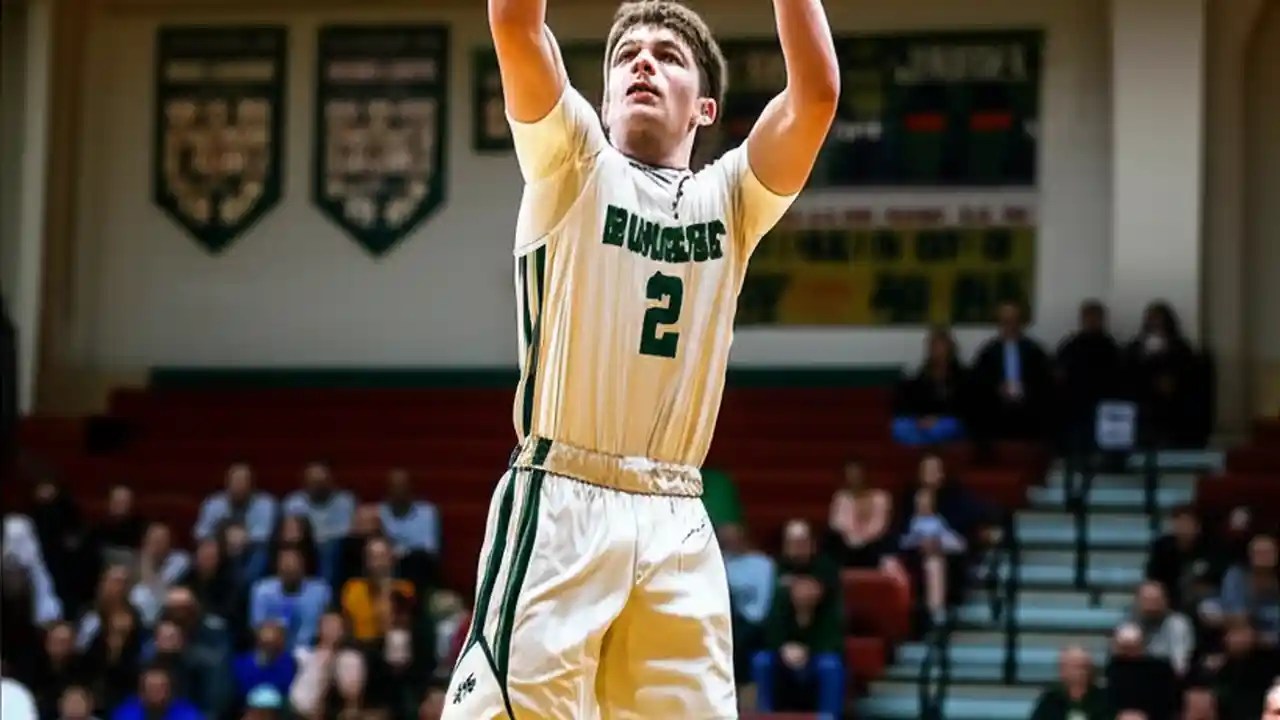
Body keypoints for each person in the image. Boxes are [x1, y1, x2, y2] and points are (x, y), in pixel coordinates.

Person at [444, 0, 839, 715]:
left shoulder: (732, 200)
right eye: (626, 56)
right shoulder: (574, 159)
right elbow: (514, 24)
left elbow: (815, 95)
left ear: (705, 108)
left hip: (676, 517)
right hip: (562, 493)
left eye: (667, 55)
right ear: (599, 98)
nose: (643, 63)